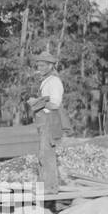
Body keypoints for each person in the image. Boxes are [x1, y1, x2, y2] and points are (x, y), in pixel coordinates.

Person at [29, 50, 64, 196]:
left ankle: (50, 188)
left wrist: (36, 102)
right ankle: (46, 186)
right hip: (43, 122)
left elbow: (55, 105)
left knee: (47, 154)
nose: (40, 67)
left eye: (43, 65)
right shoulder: (46, 81)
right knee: (43, 155)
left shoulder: (54, 81)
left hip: (49, 122)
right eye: (39, 65)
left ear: (51, 66)